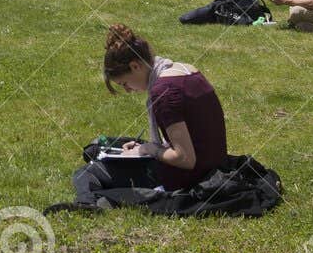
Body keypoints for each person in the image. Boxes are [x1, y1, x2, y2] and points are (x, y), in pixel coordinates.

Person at [64, 24, 228, 205]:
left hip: (188, 175)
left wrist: (151, 150)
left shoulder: (164, 92)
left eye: (125, 83)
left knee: (87, 173)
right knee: (109, 147)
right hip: (214, 164)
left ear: (135, 66)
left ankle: (86, 204)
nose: (128, 90)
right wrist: (146, 149)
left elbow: (185, 159)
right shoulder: (184, 69)